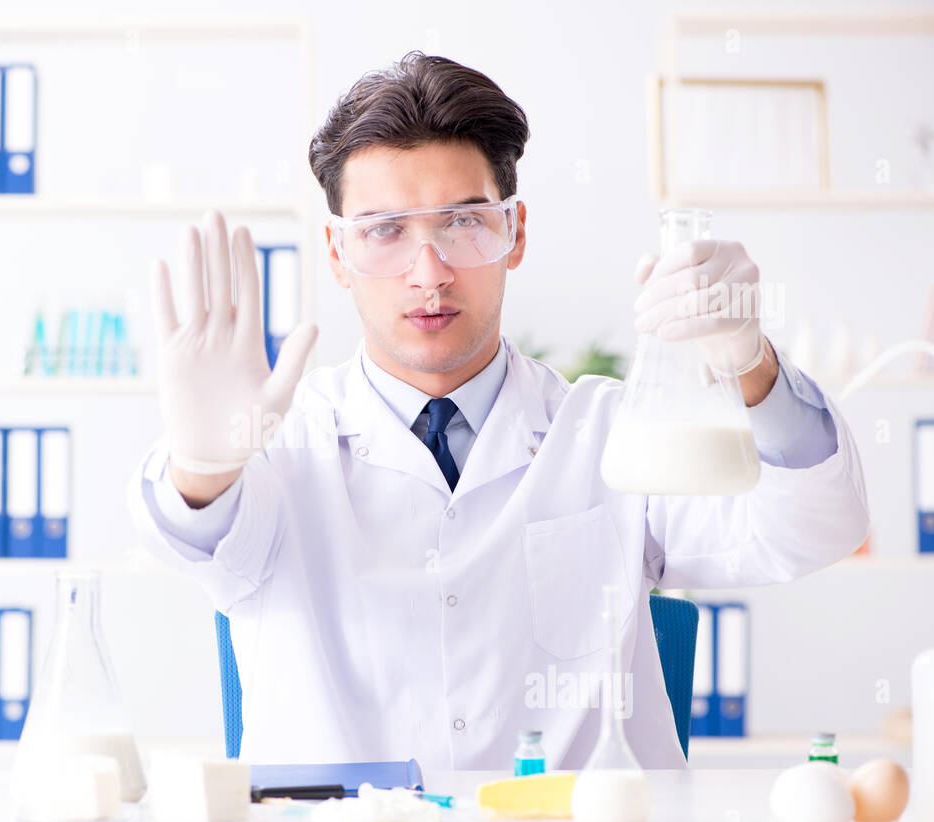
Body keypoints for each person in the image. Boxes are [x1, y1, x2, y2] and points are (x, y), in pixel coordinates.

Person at [127, 52, 869, 770]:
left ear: (514, 232)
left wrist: (750, 361)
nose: (430, 272)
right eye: (385, 231)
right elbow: (192, 539)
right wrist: (204, 459)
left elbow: (813, 527)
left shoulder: (611, 433)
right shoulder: (279, 446)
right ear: (336, 252)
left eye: (462, 222)